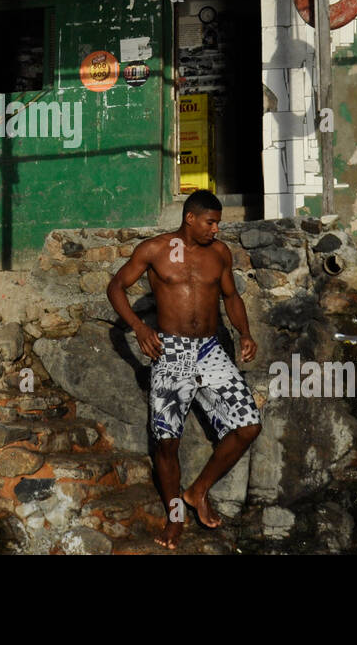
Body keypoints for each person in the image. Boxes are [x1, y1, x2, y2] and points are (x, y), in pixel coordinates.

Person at [105, 190, 261, 550]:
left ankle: (198, 491)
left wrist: (245, 333)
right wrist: (140, 328)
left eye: (218, 223)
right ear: (190, 218)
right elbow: (116, 286)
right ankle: (175, 514)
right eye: (211, 222)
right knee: (166, 441)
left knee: (248, 424)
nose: (216, 229)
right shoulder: (155, 249)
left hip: (210, 349)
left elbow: (231, 297)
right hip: (171, 351)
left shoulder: (219, 253)